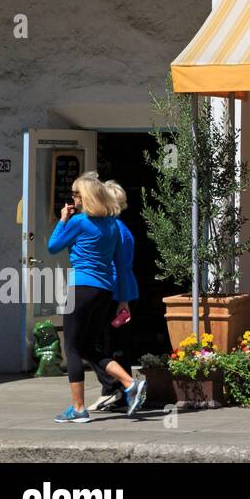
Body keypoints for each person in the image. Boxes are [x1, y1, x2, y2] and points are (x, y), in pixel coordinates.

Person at [48, 173, 147, 423]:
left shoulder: (79, 222)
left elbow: (52, 246)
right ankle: (129, 383)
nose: (72, 198)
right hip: (104, 292)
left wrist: (62, 220)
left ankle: (78, 408)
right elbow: (120, 265)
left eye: (75, 193)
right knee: (89, 347)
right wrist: (123, 299)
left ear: (86, 197)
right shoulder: (113, 225)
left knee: (71, 348)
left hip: (80, 288)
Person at [90, 180, 139, 413]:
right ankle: (122, 392)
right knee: (117, 344)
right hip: (122, 290)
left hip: (113, 291)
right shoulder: (122, 228)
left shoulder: (112, 229)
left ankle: (115, 389)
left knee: (94, 343)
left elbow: (116, 265)